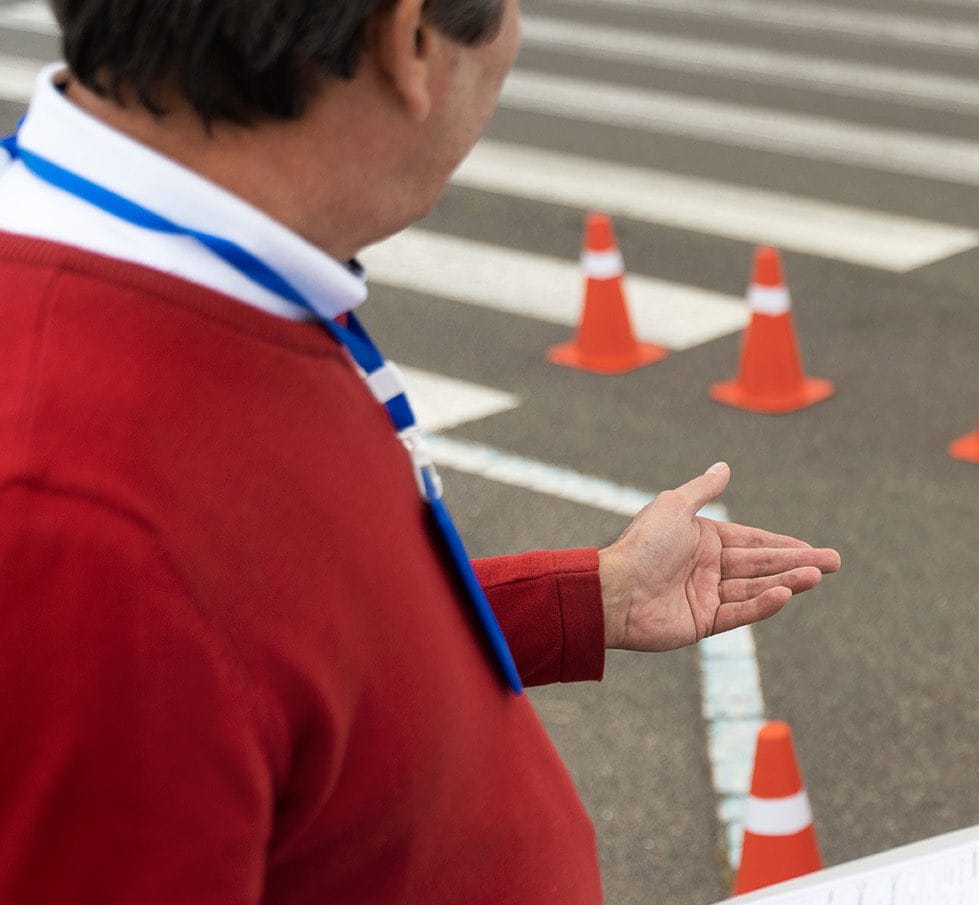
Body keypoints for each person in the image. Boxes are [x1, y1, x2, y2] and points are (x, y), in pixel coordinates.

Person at [0, 0, 840, 901]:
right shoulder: (83, 513)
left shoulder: (193, 273)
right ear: (408, 45)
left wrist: (590, 596)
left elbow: (277, 647)